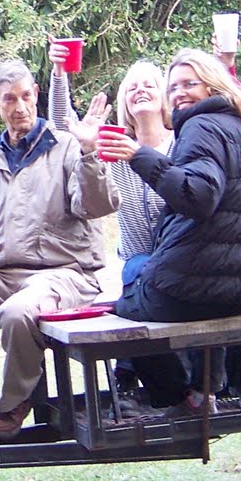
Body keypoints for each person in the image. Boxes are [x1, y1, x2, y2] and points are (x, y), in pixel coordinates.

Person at [0, 57, 119, 441]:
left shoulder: (68, 148)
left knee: (21, 312)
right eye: (8, 99)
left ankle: (14, 403)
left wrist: (90, 155)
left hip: (63, 273)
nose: (19, 107)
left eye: (24, 96)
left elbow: (98, 206)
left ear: (36, 94)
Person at [104, 49, 241, 410]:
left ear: (211, 85)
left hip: (209, 281)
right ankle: (203, 390)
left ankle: (181, 398)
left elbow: (197, 196)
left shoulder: (200, 126)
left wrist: (139, 156)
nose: (180, 92)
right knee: (148, 278)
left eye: (189, 84)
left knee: (128, 307)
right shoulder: (236, 128)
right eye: (174, 86)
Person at [47, 45, 171, 395]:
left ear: (164, 99)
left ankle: (139, 377)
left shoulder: (183, 144)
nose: (140, 90)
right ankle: (127, 380)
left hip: (181, 261)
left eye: (149, 85)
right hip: (134, 264)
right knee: (134, 278)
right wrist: (59, 74)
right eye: (132, 87)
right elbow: (63, 125)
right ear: (124, 105)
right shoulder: (117, 148)